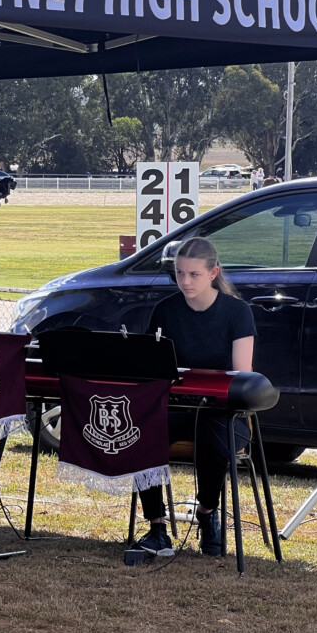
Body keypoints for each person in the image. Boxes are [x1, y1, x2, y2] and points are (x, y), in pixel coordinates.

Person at [129, 236, 255, 561]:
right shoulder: (165, 311)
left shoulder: (237, 312)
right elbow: (151, 368)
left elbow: (243, 374)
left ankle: (208, 512)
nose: (185, 281)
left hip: (223, 413)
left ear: (213, 273)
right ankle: (157, 527)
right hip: (175, 407)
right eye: (180, 273)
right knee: (139, 434)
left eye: (194, 274)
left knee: (213, 442)